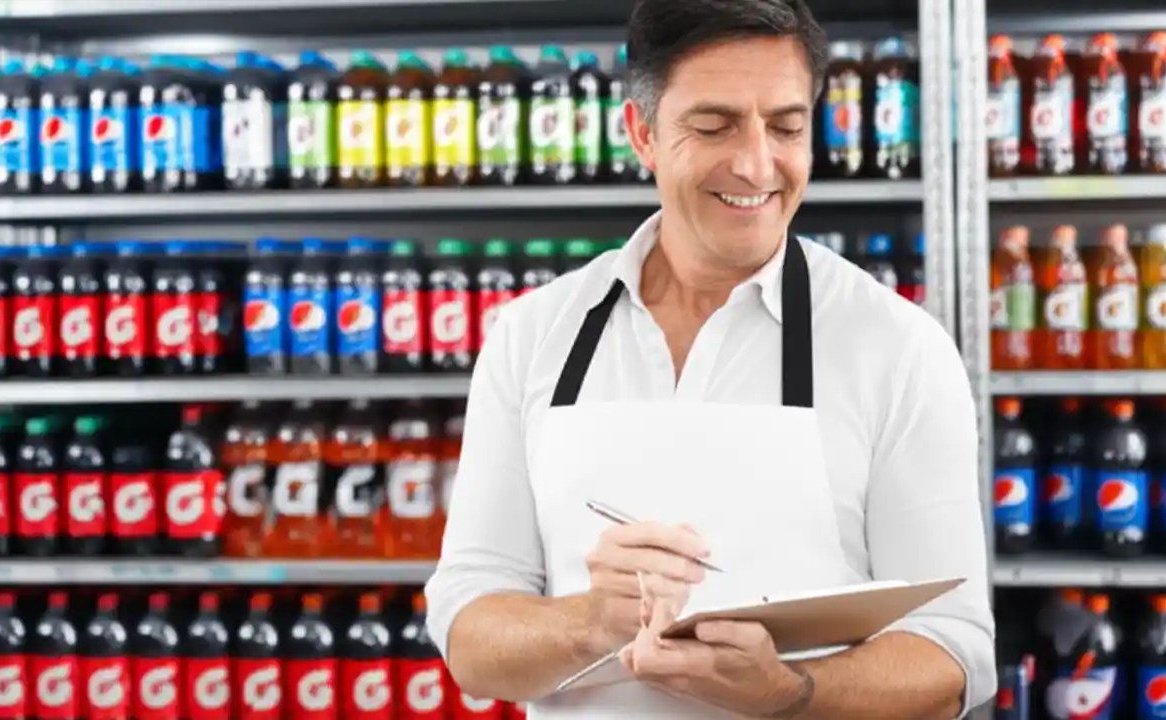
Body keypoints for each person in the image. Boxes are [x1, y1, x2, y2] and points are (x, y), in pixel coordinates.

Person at [425, 0, 994, 717]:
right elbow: (469, 636)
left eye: (786, 126)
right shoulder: (532, 336)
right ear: (643, 134)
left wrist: (788, 691)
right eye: (714, 125)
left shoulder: (899, 348)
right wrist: (593, 622)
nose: (757, 163)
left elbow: (953, 656)